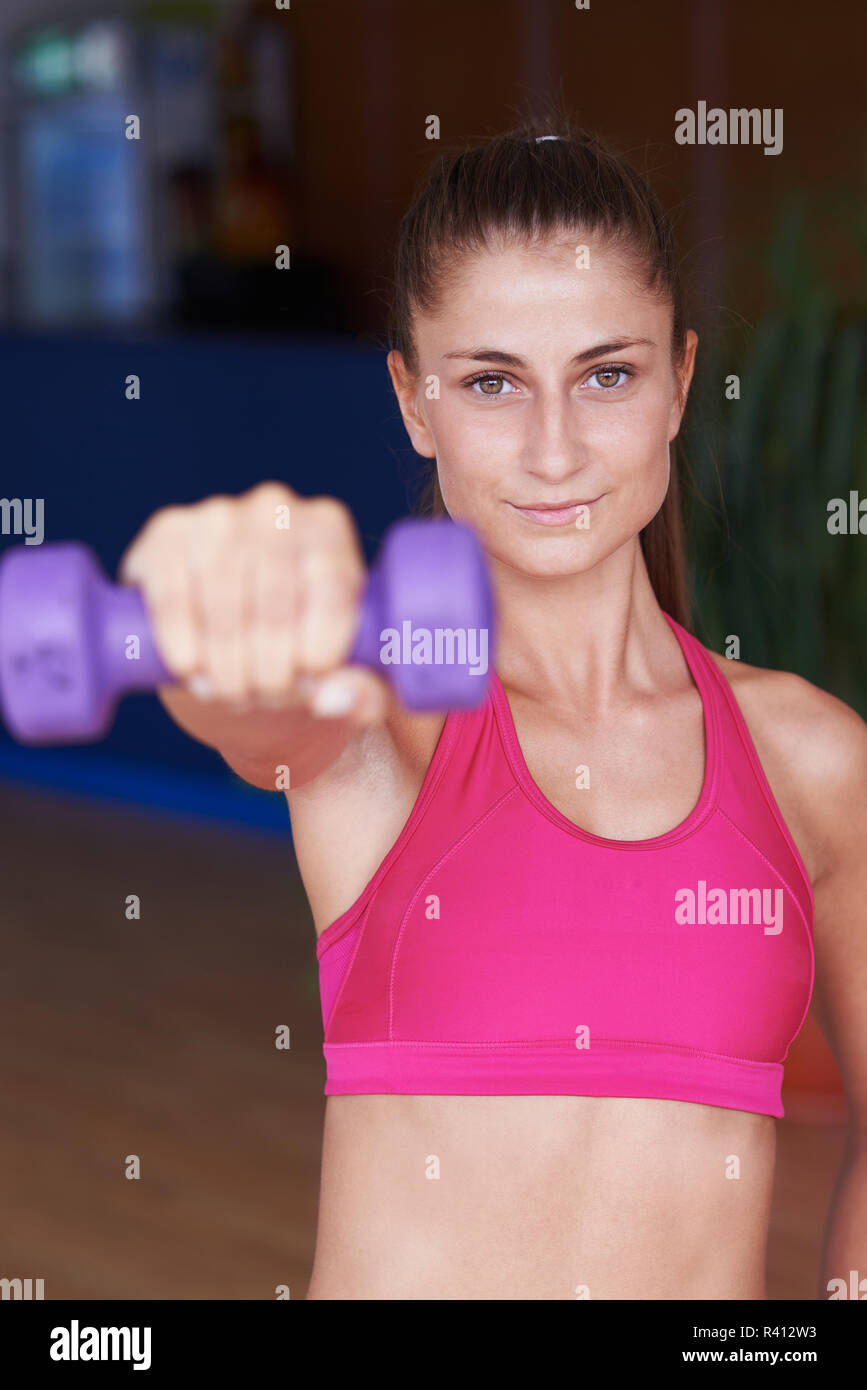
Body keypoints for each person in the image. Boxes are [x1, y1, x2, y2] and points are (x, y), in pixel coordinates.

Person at [119, 120, 867, 1300]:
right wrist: (212, 616)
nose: (556, 450)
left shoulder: (814, 762)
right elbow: (256, 710)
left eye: (606, 375)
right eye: (491, 382)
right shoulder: (383, 717)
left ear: (678, 382)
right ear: (414, 403)